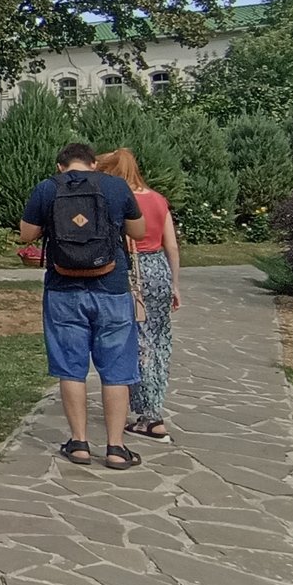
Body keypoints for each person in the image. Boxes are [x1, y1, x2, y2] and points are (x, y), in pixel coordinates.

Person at [20, 142, 148, 470]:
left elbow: (26, 235)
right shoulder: (115, 186)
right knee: (116, 370)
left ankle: (78, 443)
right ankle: (116, 447)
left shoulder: (47, 188)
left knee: (71, 368)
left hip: (63, 289)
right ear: (93, 164)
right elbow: (139, 230)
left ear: (60, 165)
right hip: (112, 288)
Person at [96, 148, 183, 444]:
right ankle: (154, 404)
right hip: (159, 267)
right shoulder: (158, 199)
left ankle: (150, 414)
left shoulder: (120, 198)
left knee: (138, 341)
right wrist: (175, 283)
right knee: (159, 339)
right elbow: (171, 245)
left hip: (135, 271)